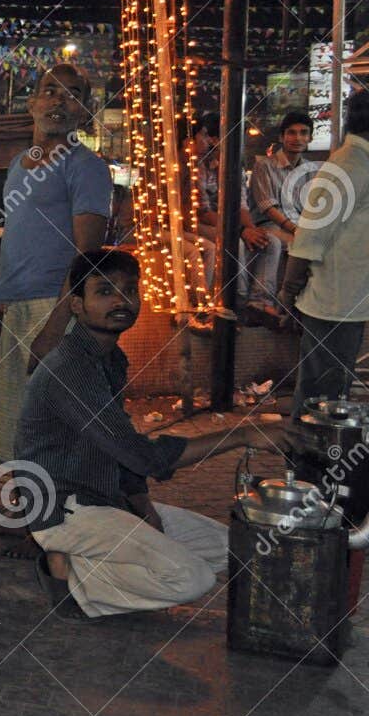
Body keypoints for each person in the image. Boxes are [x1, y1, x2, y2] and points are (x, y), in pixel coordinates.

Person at [19, 248, 296, 618]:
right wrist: (242, 435)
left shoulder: (110, 358)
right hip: (65, 508)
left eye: (129, 291)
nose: (121, 301)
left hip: (105, 496)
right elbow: (142, 455)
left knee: (236, 549)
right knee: (191, 579)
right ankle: (70, 578)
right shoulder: (71, 368)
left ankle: (91, 561)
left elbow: (122, 453)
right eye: (105, 292)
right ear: (77, 306)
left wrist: (142, 505)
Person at [0, 65, 112, 464]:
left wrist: (56, 327)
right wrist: (4, 309)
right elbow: (18, 235)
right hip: (18, 310)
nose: (59, 101)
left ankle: (64, 503)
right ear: (32, 104)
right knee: (16, 433)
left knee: (53, 436)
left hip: (57, 308)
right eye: (50, 91)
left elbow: (87, 257)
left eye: (72, 94)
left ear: (84, 112)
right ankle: (29, 500)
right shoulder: (17, 165)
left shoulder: (85, 166)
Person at [281, 90, 369, 416]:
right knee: (321, 397)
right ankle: (306, 448)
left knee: (330, 393)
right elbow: (309, 236)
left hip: (347, 298)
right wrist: (288, 292)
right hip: (333, 299)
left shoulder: (358, 162)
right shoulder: (349, 164)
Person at [190, 111, 270, 305]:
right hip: (200, 223)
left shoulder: (235, 167)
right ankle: (238, 299)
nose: (240, 144)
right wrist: (240, 230)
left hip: (227, 223)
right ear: (214, 139)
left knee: (271, 242)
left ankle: (260, 301)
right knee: (235, 242)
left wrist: (251, 229)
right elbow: (203, 212)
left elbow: (241, 204)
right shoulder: (200, 166)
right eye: (235, 137)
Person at [246, 110, 313, 313]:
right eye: (291, 133)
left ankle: (305, 307)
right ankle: (261, 303)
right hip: (268, 225)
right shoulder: (264, 166)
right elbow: (267, 207)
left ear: (310, 138)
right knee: (302, 245)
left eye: (303, 133)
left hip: (298, 226)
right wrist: (296, 229)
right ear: (282, 137)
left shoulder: (310, 170)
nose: (297, 138)